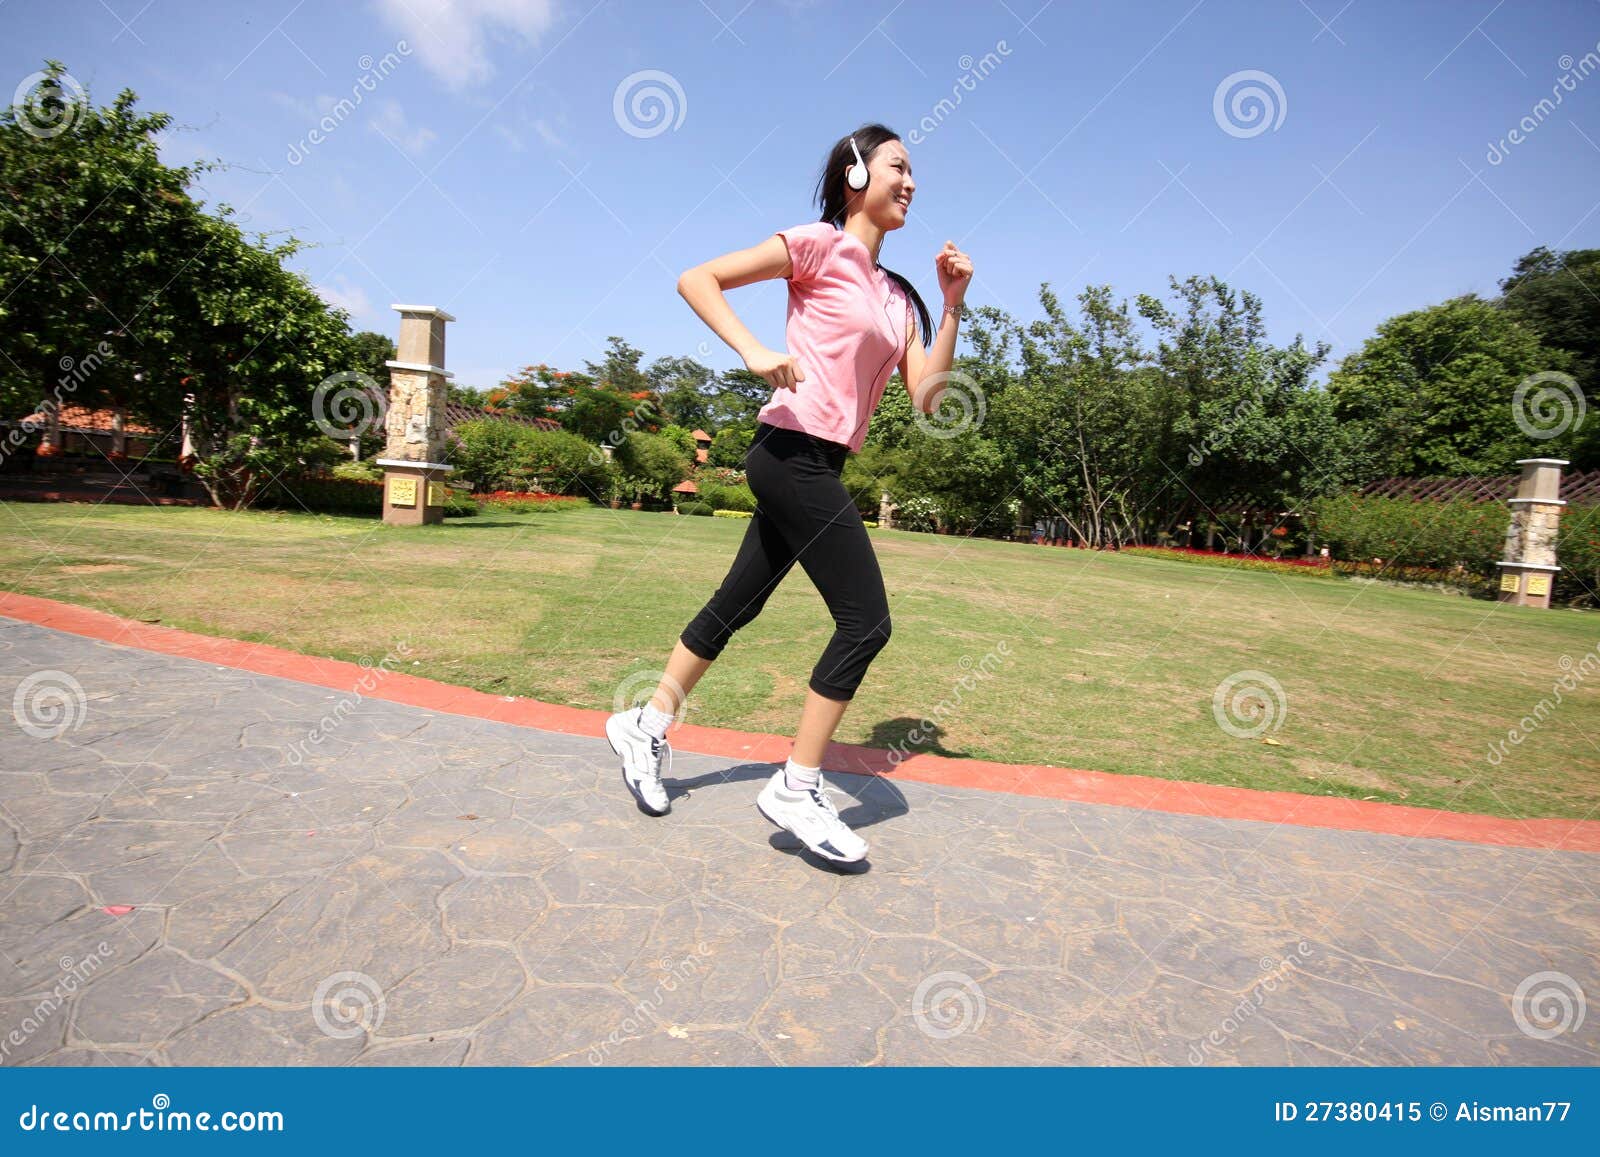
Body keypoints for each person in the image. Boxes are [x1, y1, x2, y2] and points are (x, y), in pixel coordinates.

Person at [605, 123, 973, 864]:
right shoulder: (817, 245)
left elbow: (929, 397)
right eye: (898, 166)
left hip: (821, 464)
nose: (910, 182)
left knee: (736, 602)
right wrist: (753, 349)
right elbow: (697, 278)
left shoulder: (899, 295)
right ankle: (797, 787)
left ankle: (645, 724)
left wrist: (953, 303)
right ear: (855, 175)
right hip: (788, 451)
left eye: (914, 173)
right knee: (866, 622)